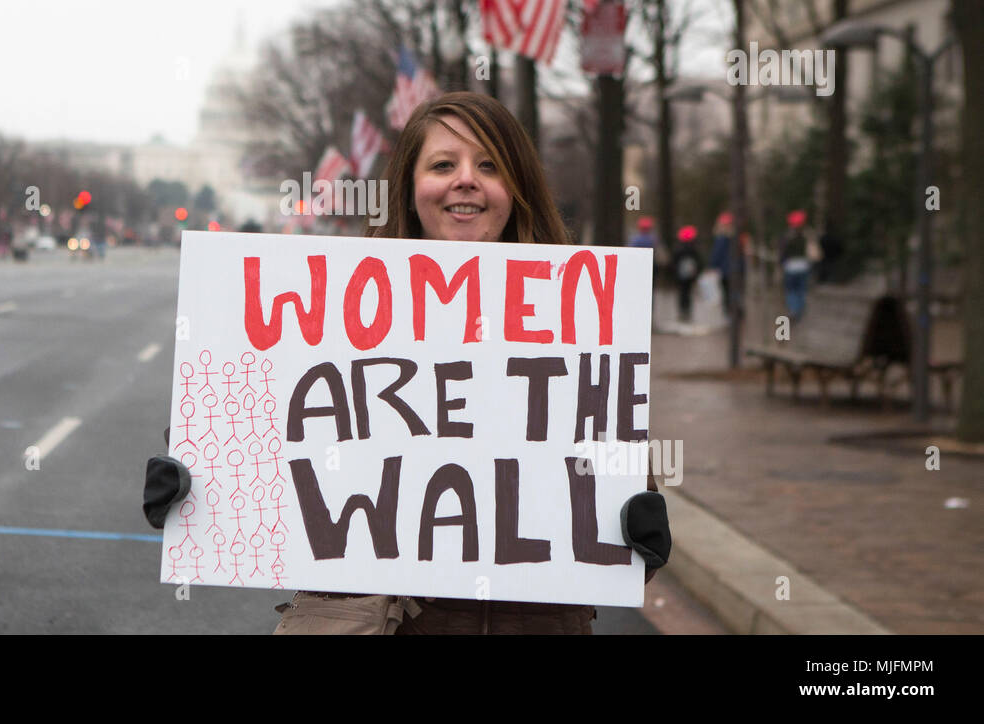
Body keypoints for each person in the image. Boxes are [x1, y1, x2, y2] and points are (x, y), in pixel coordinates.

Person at [144, 93, 670, 635]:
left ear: (516, 188)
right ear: (411, 190)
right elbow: (258, 446)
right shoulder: (334, 316)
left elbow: (604, 509)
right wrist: (190, 485)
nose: (466, 179)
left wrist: (638, 533)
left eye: (489, 165)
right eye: (443, 164)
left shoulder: (577, 323)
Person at [779, 210, 815, 319]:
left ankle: (794, 309)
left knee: (791, 289)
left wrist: (781, 264)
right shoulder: (808, 235)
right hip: (804, 265)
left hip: (790, 266)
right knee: (801, 289)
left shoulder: (787, 236)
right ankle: (799, 310)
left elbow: (782, 252)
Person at [671, 225, 702, 323]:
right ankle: (687, 310)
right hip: (690, 274)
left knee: (682, 292)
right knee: (688, 292)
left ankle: (682, 310)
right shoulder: (694, 248)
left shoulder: (679, 247)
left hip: (680, 274)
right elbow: (698, 260)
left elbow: (674, 260)